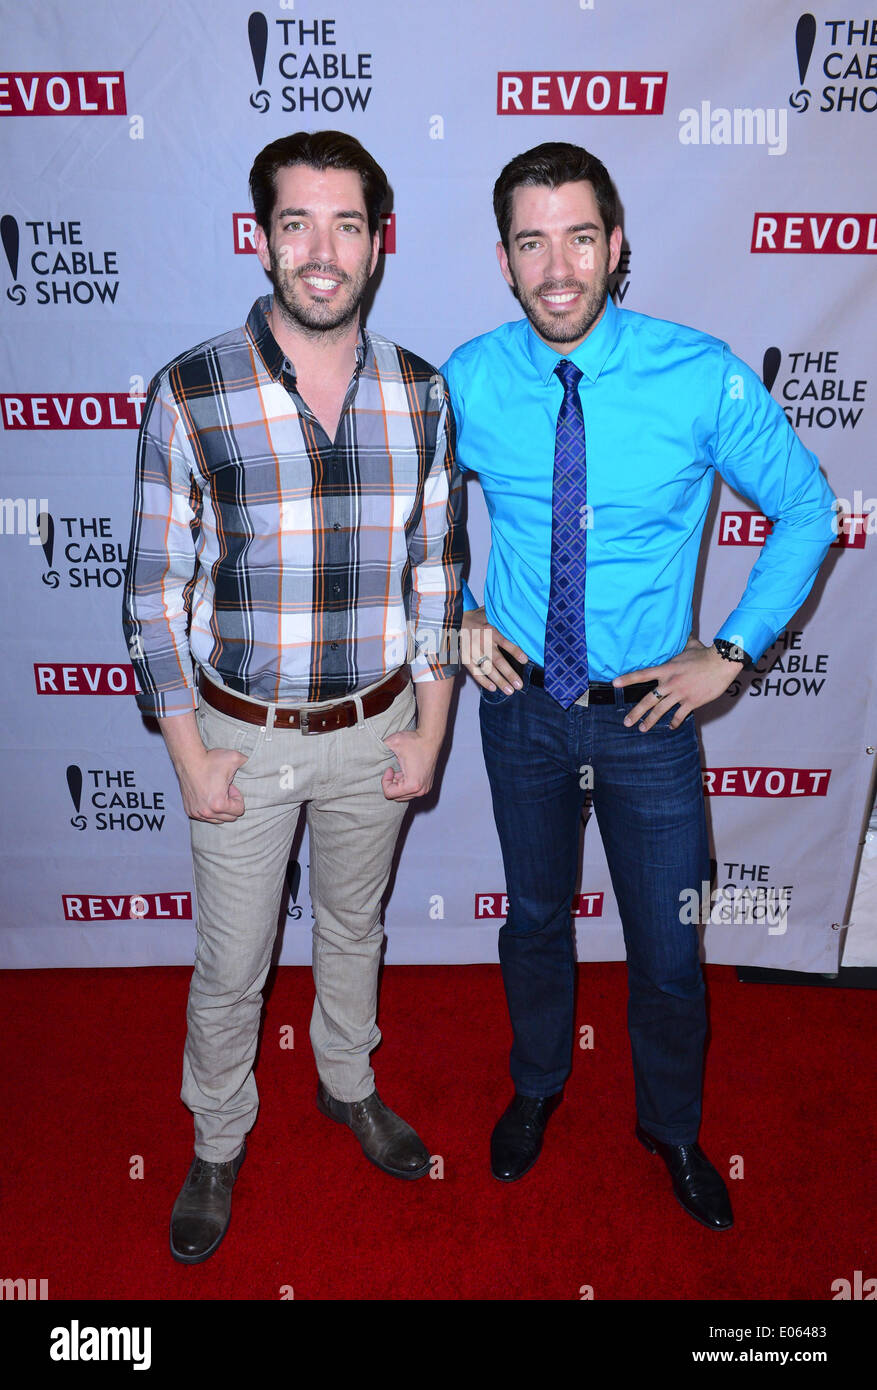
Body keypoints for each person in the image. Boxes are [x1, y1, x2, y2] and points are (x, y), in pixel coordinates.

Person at [442, 141, 835, 1229]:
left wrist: (736, 648)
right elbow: (407, 510)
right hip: (519, 706)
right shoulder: (470, 378)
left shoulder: (697, 372)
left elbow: (807, 507)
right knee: (530, 920)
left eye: (579, 237)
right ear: (504, 259)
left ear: (616, 248)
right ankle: (537, 1086)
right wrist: (456, 608)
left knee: (667, 946)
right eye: (532, 242)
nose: (556, 266)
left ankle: (669, 1125)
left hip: (650, 718)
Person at [123, 130, 463, 1264]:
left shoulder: (422, 393)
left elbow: (438, 578)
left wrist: (429, 727)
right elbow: (152, 592)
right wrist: (190, 758)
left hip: (375, 729)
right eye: (298, 223)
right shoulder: (192, 388)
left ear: (381, 240)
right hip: (242, 738)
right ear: (258, 236)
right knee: (232, 964)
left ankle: (345, 1082)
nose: (324, 251)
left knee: (355, 929)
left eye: (348, 224)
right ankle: (218, 1136)